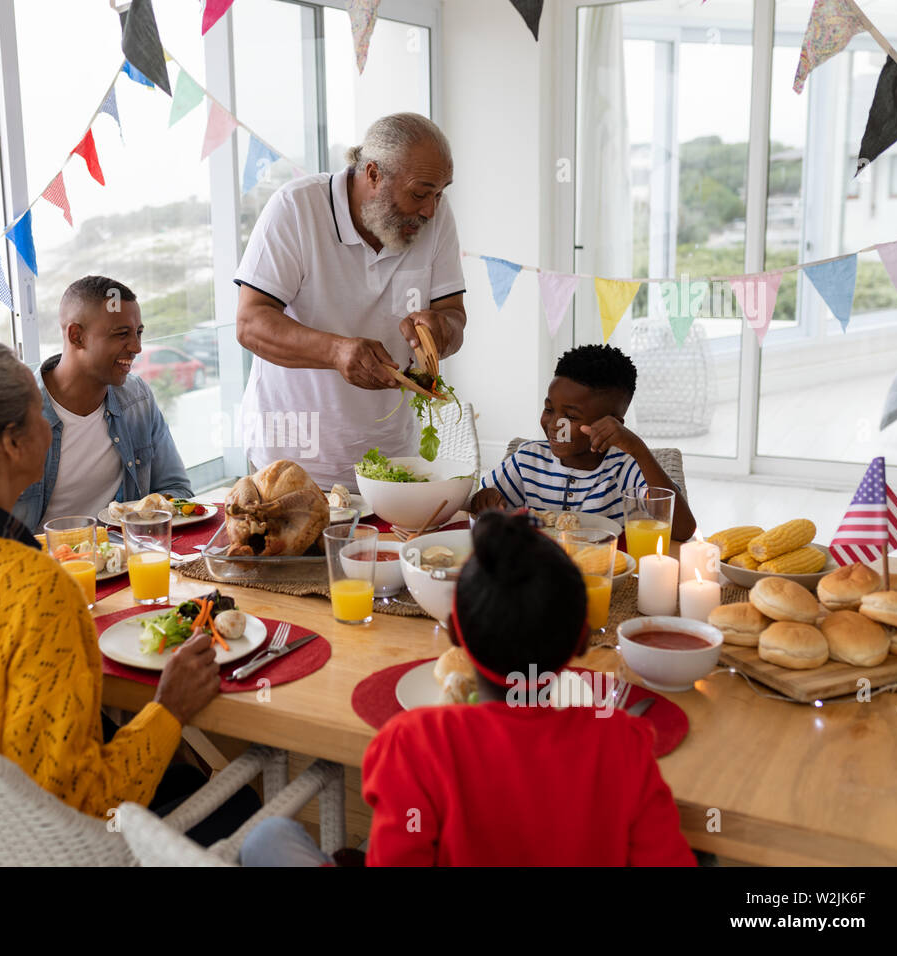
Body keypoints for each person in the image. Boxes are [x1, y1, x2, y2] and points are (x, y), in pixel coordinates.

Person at [0, 341, 254, 840]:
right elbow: (86, 805)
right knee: (242, 800)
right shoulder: (36, 588)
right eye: (39, 413)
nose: (50, 426)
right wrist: (168, 709)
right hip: (26, 849)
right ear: (13, 443)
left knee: (175, 770)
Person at [241, 511, 696, 866]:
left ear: (456, 631)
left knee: (267, 839)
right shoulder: (624, 743)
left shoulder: (413, 744)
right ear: (581, 640)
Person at [234, 113, 467, 489]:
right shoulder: (296, 208)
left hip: (393, 461)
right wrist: (336, 352)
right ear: (373, 174)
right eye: (420, 193)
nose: (431, 210)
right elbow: (250, 323)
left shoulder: (435, 220)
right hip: (291, 463)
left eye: (440, 193)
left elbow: (453, 315)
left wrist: (443, 331)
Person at [11, 275, 192, 532]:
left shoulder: (137, 398)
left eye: (139, 333)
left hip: (120, 558)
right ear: (76, 336)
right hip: (39, 566)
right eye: (122, 334)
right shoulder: (13, 411)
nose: (137, 347)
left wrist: (146, 515)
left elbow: (176, 489)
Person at [470, 344, 697, 541]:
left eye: (570, 416)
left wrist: (638, 450)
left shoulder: (625, 469)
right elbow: (482, 506)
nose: (554, 424)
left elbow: (683, 530)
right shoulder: (527, 461)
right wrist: (483, 501)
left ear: (613, 424)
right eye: (549, 409)